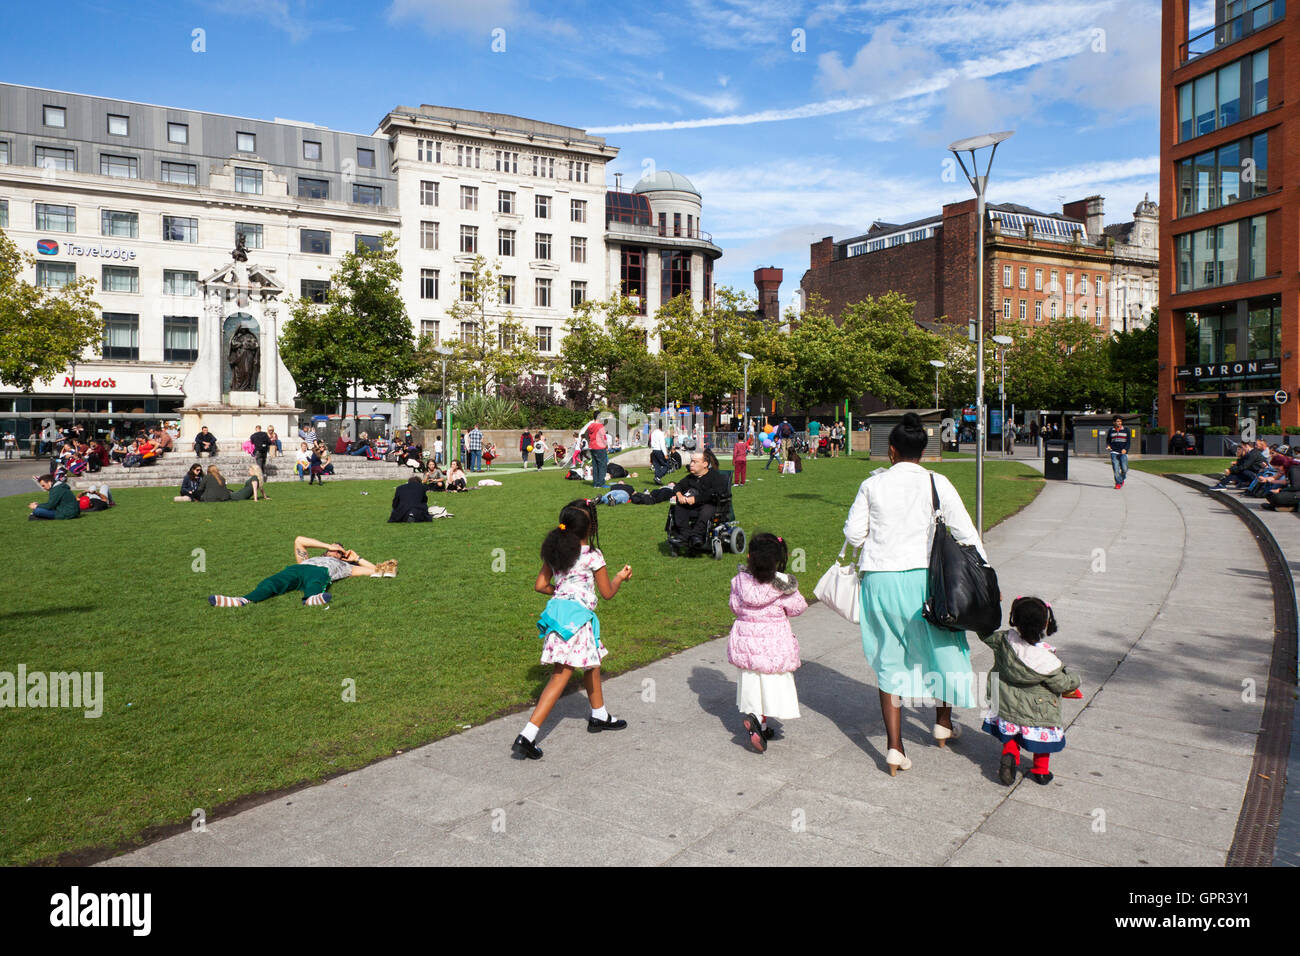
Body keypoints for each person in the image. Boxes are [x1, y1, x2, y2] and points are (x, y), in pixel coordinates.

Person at [843, 412, 986, 776]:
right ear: (922, 451)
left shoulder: (871, 485)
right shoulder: (937, 483)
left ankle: (894, 747)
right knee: (943, 647)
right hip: (927, 580)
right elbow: (966, 532)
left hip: (881, 579)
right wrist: (985, 573)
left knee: (889, 658)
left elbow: (855, 535)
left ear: (891, 451)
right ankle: (942, 723)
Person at [512, 500, 632, 759]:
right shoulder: (592, 556)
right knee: (561, 675)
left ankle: (599, 714)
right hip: (576, 622)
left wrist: (564, 591)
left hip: (559, 615)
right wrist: (620, 577)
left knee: (592, 662)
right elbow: (607, 593)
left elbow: (540, 585)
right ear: (589, 529)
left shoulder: (556, 550)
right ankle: (527, 735)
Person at [981, 597, 1080, 785]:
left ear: (1014, 620)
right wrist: (1075, 679)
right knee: (1043, 741)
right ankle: (1041, 771)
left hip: (1006, 701)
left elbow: (983, 633)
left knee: (1011, 732)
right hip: (1038, 710)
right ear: (1045, 624)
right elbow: (1062, 684)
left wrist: (990, 603)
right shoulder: (1047, 661)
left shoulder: (1003, 641)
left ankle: (1010, 754)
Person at [728, 533, 807, 753]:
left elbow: (734, 606)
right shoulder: (782, 585)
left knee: (753, 683)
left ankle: (757, 721)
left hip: (747, 645)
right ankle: (760, 721)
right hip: (773, 646)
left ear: (750, 556)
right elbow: (799, 607)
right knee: (770, 685)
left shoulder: (740, 582)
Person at [208, 537, 396, 608]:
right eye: (333, 549)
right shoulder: (307, 558)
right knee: (273, 582)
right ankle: (244, 600)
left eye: (339, 551)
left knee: (316, 582)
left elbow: (378, 571)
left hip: (321, 572)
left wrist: (356, 557)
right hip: (299, 569)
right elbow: (299, 540)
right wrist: (327, 544)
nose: (335, 551)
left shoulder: (346, 567)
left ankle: (311, 599)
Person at [667, 451, 729, 554]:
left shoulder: (715, 476)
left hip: (712, 505)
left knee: (707, 508)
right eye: (691, 461)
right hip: (693, 506)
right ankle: (684, 536)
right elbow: (678, 486)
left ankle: (696, 536)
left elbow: (715, 492)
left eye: (695, 462)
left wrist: (695, 499)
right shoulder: (690, 478)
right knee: (679, 505)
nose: (691, 464)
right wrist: (679, 495)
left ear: (705, 464)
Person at [579, 414, 610, 489]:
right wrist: (606, 445)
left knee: (595, 465)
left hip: (592, 447)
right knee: (602, 465)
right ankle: (601, 483)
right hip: (600, 447)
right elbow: (603, 437)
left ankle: (596, 483)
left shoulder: (590, 426)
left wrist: (590, 442)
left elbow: (586, 435)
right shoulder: (600, 426)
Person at [1106, 416, 1130, 489]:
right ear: (1114, 422)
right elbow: (1108, 440)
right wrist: (1108, 446)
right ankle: (1118, 483)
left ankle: (1121, 478)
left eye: (1120, 421)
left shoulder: (1126, 430)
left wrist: (1125, 449)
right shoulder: (1111, 430)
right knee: (1116, 469)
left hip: (1123, 453)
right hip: (1114, 452)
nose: (1119, 423)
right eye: (1117, 421)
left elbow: (1128, 442)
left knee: (1124, 469)